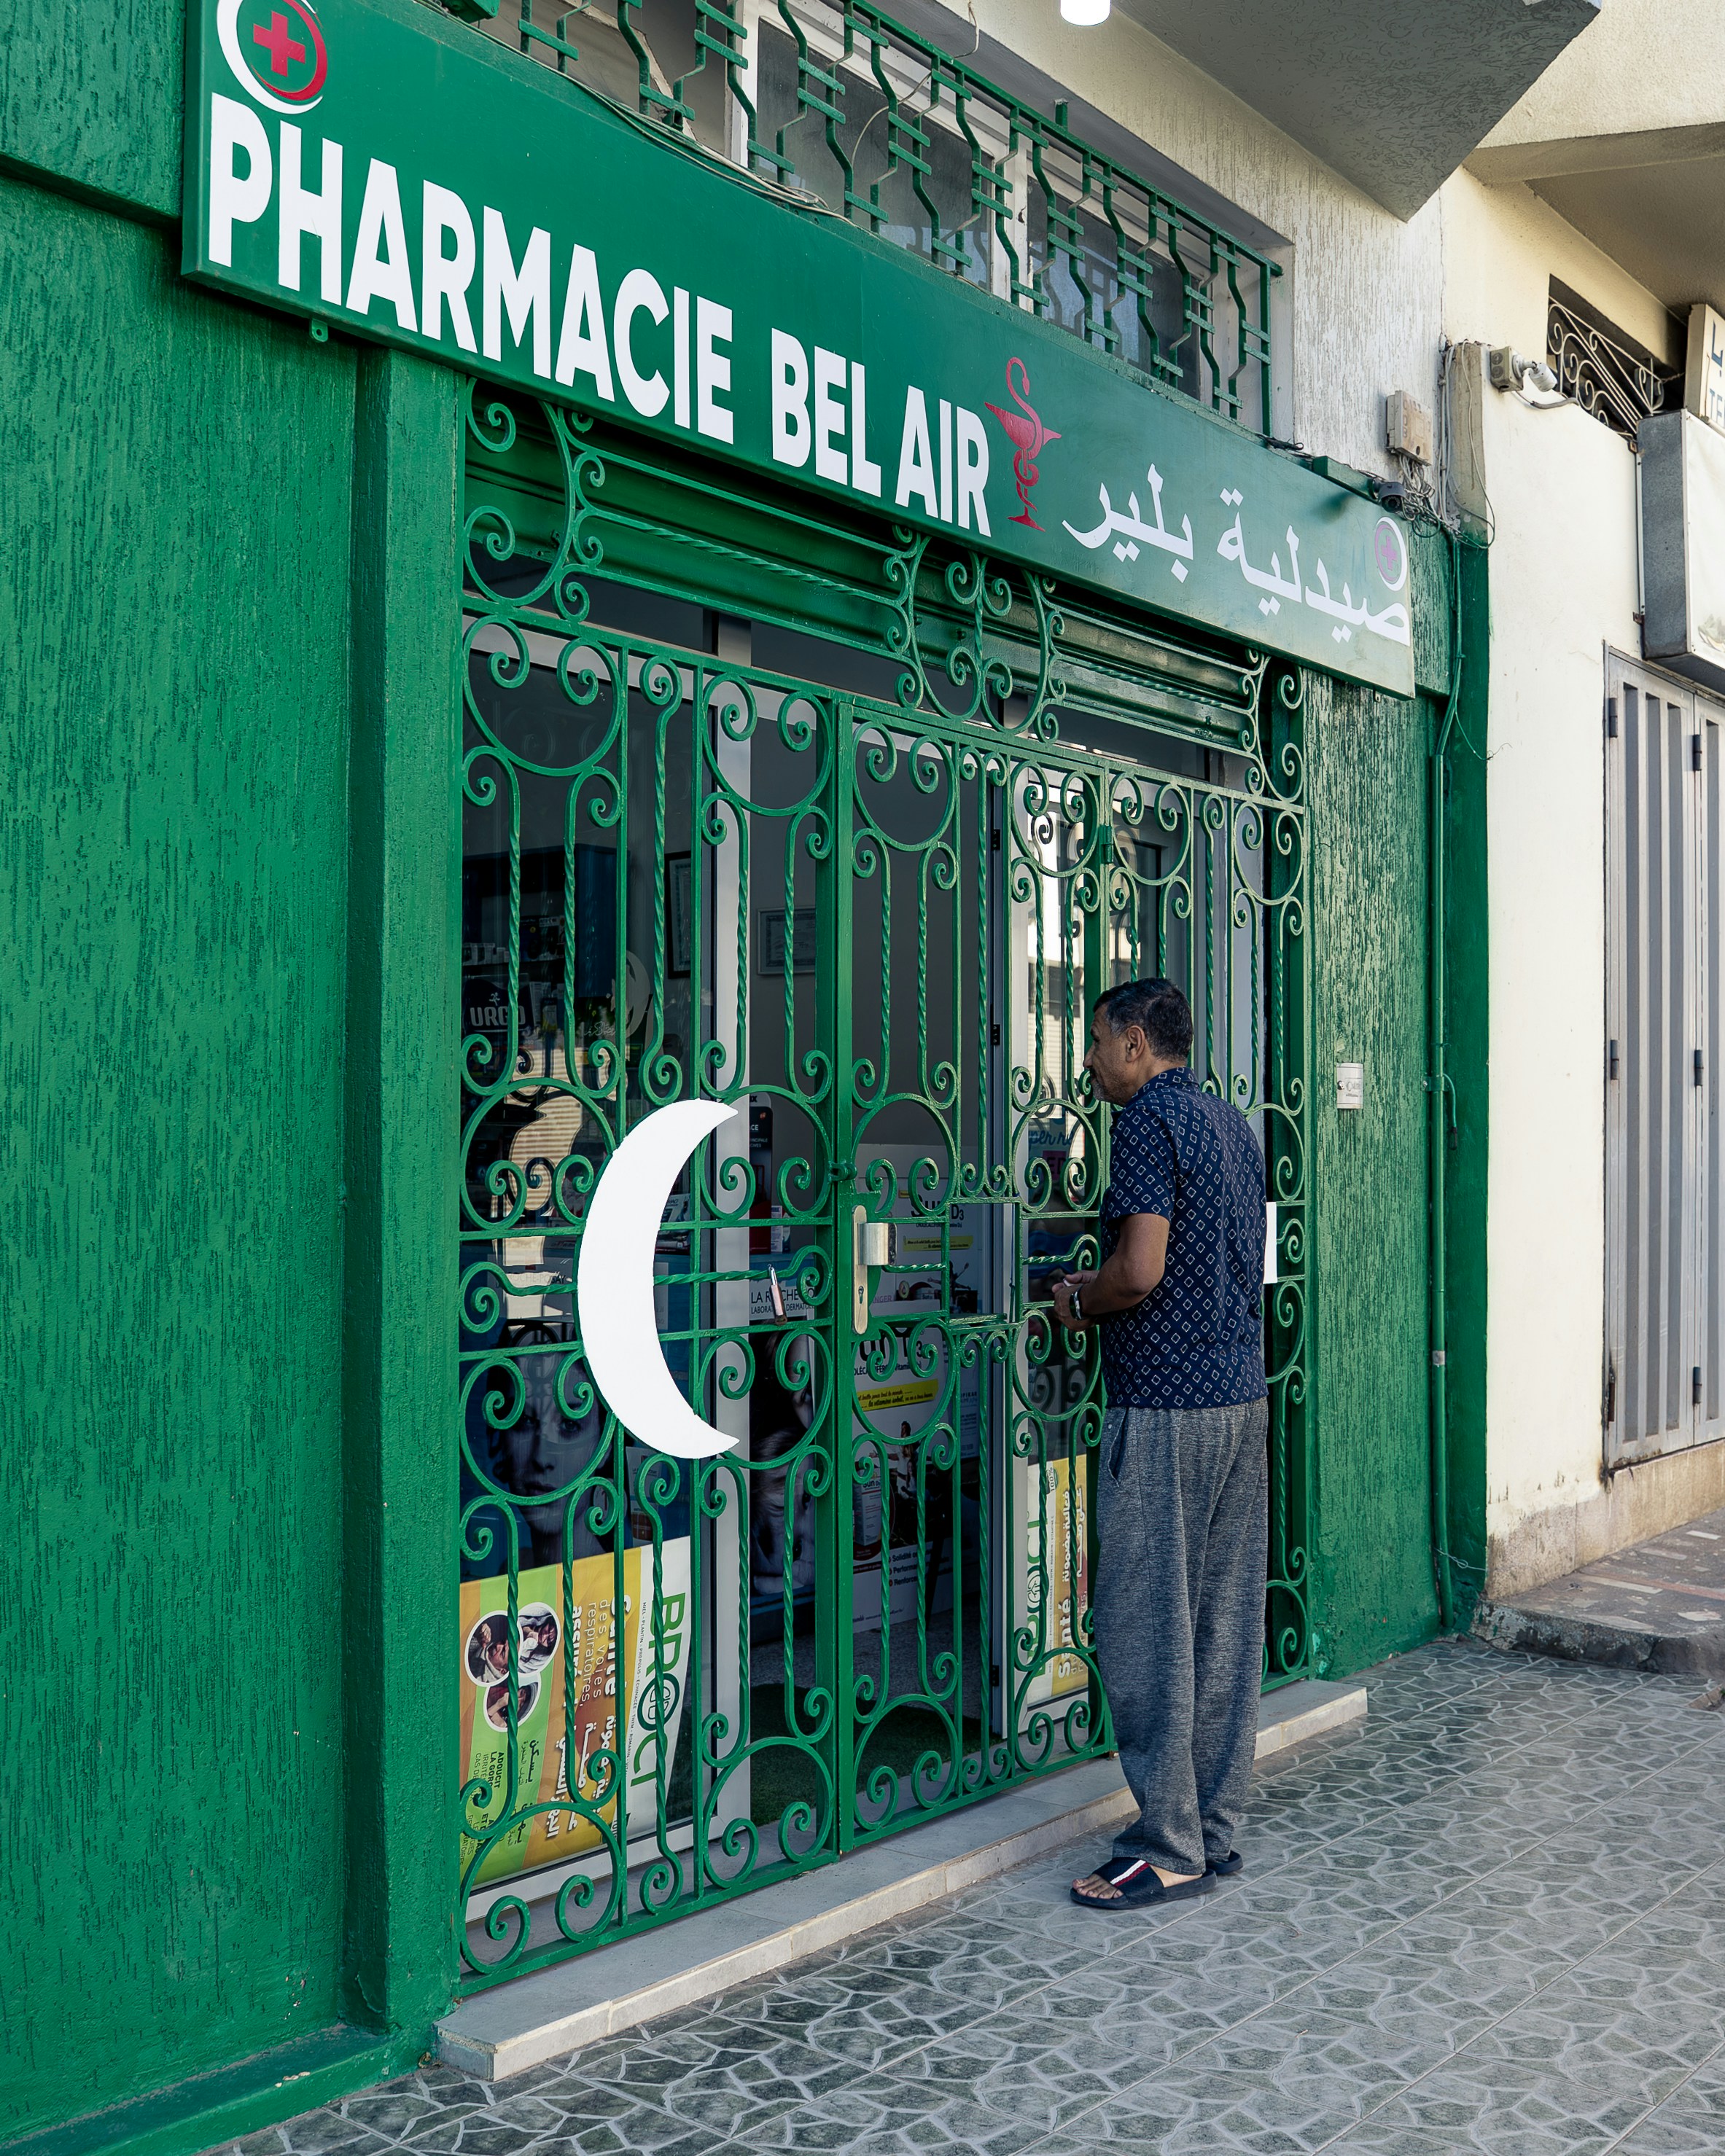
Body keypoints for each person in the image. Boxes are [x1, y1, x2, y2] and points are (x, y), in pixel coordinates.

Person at [1051, 977, 1267, 1912]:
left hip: (1165, 1404)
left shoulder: (1144, 1125)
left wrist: (1075, 1299)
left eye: (1098, 1042)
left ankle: (1163, 1842)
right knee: (1222, 1627)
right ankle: (1210, 1832)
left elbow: (1138, 1270)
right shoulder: (1232, 1125)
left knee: (1146, 1627)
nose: (1089, 1061)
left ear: (1137, 1043)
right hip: (1238, 1398)